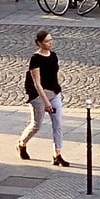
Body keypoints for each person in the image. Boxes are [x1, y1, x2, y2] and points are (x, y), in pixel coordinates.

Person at [18, 29, 69, 166]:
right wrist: (46, 103)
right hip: (39, 96)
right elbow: (37, 83)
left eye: (51, 40)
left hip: (54, 92)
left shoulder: (53, 56)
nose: (50, 43)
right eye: (47, 41)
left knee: (58, 124)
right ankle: (22, 143)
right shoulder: (35, 59)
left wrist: (55, 93)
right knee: (36, 125)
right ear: (39, 43)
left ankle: (57, 154)